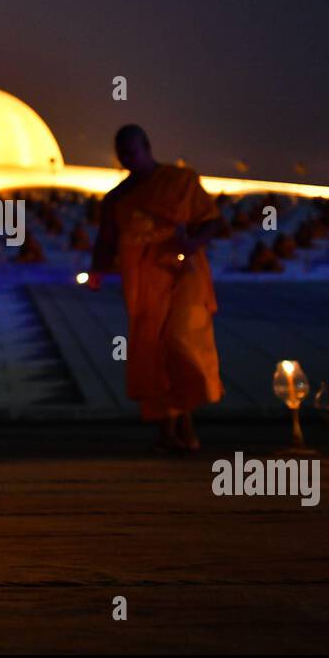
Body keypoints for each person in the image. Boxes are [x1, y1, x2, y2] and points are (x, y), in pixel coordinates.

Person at [88, 125, 225, 453]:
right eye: (121, 153)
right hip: (143, 280)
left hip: (182, 273)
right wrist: (96, 271)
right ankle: (169, 427)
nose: (126, 158)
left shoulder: (179, 181)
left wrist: (191, 243)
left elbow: (214, 221)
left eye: (131, 151)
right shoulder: (117, 198)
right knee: (154, 350)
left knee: (181, 342)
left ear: (147, 147)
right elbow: (106, 240)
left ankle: (185, 420)